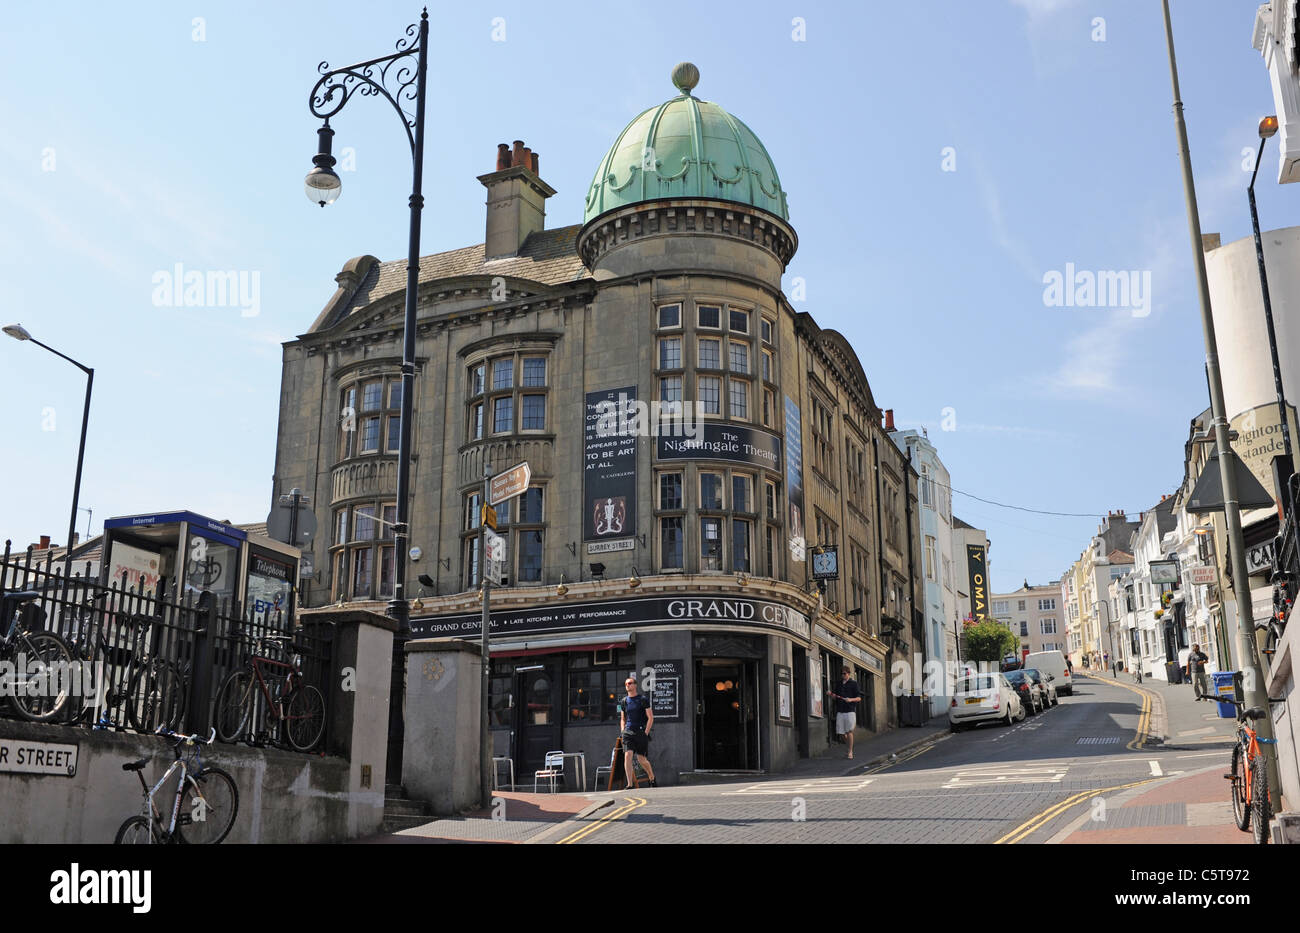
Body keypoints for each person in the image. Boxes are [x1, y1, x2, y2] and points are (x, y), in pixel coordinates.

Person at [617, 675, 657, 787]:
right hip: (628, 732)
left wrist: (646, 732)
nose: (627, 685)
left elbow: (650, 717)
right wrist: (622, 731)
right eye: (626, 684)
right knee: (627, 755)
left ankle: (652, 777)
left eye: (629, 683)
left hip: (640, 732)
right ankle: (629, 784)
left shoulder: (643, 699)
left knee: (641, 759)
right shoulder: (624, 701)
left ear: (635, 685)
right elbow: (622, 718)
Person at [827, 666, 861, 758]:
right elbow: (835, 696)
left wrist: (850, 700)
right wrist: (831, 695)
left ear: (849, 674)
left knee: (849, 731)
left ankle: (850, 752)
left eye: (844, 673)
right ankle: (849, 746)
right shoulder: (839, 684)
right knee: (841, 733)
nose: (843, 675)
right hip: (840, 711)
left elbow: (859, 698)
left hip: (850, 711)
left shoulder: (854, 684)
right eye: (842, 673)